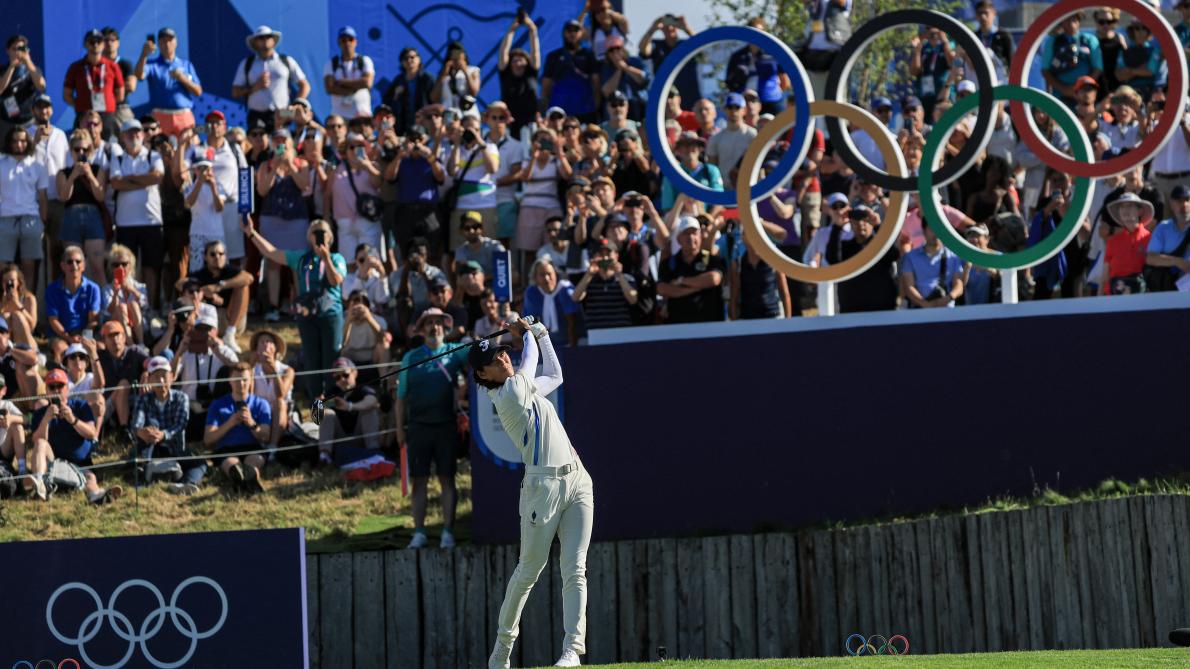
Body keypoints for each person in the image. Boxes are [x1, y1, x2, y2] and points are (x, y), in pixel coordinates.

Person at [476, 317, 594, 669]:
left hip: (578, 482)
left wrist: (540, 334)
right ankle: (502, 648)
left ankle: (572, 650)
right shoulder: (509, 395)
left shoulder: (524, 388)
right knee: (529, 571)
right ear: (483, 376)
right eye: (494, 360)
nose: (502, 358)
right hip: (541, 491)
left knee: (575, 568)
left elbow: (555, 374)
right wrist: (526, 334)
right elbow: (529, 361)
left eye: (502, 353)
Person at [246, 218, 345, 399]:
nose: (318, 236)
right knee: (312, 363)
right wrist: (252, 233)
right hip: (307, 316)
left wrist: (326, 258)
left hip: (330, 316)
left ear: (330, 237)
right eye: (315, 233)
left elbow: (335, 280)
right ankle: (318, 414)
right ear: (309, 237)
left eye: (322, 232)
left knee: (331, 361)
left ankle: (333, 409)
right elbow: (272, 252)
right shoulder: (302, 259)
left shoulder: (337, 258)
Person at [397, 307, 468, 549]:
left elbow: (480, 353)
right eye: (429, 323)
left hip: (446, 426)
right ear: (422, 328)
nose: (434, 327)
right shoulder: (410, 358)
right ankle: (419, 532)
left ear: (445, 327)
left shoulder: (455, 352)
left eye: (439, 322)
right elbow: (400, 397)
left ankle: (448, 531)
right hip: (418, 427)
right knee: (419, 481)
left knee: (447, 478)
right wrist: (399, 429)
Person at [25, 368, 121, 504]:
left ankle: (97, 496)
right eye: (52, 387)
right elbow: (36, 441)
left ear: (67, 389)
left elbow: (92, 433)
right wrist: (46, 419)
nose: (56, 390)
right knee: (41, 443)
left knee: (90, 478)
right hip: (54, 463)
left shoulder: (80, 406)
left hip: (81, 464)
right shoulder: (40, 413)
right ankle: (40, 483)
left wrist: (73, 420)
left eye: (60, 386)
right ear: (46, 391)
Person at [110, 118, 165, 312]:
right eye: (129, 133)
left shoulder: (153, 156)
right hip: (125, 223)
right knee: (124, 268)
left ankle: (151, 307)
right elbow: (116, 183)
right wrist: (144, 180)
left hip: (151, 221)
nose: (134, 136)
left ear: (142, 135)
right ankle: (127, 306)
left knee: (151, 267)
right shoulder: (117, 159)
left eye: (137, 132)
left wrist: (129, 179)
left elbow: (157, 177)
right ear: (123, 137)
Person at [256, 128, 311, 320]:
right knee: (273, 263)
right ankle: (273, 306)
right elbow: (262, 191)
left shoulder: (301, 163)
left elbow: (305, 185)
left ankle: (299, 305)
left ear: (291, 143)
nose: (280, 144)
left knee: (297, 264)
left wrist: (291, 166)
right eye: (276, 140)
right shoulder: (265, 165)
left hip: (296, 221)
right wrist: (276, 169)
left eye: (284, 140)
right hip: (272, 220)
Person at [131, 356, 205, 494]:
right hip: (151, 449)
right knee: (150, 427)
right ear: (150, 380)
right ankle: (145, 476)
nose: (161, 381)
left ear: (172, 377)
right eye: (156, 377)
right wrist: (141, 432)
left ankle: (185, 484)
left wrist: (163, 435)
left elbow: (181, 424)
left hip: (175, 449)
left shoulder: (181, 397)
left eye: (164, 376)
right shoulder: (143, 399)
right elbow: (136, 423)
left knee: (200, 463)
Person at [204, 361, 271, 493]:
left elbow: (265, 436)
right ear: (229, 380)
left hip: (253, 448)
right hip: (226, 450)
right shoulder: (217, 405)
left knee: (253, 463)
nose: (241, 384)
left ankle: (251, 480)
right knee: (233, 466)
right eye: (237, 380)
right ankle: (239, 480)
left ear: (251, 380)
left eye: (245, 380)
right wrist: (230, 423)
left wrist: (251, 423)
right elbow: (208, 439)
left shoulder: (261, 404)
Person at [232, 26, 310, 132]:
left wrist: (295, 105)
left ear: (273, 40)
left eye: (268, 37)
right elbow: (235, 92)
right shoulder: (247, 64)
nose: (265, 40)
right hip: (256, 115)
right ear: (255, 42)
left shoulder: (286, 61)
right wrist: (255, 87)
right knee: (259, 145)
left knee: (281, 145)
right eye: (261, 38)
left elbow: (304, 85)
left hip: (283, 113)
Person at [57, 128, 107, 281]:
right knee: (73, 267)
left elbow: (100, 195)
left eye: (85, 149)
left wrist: (90, 175)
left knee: (97, 265)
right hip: (72, 215)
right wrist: (73, 176)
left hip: (93, 215)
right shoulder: (63, 173)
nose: (81, 152)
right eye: (77, 149)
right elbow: (64, 197)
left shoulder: (98, 169)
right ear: (71, 151)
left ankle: (104, 304)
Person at [0, 124, 47, 284]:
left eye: (22, 141)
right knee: (3, 265)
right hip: (5, 218)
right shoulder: (1, 163)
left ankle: (26, 304)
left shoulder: (37, 165)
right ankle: (3, 304)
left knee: (29, 265)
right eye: (15, 141)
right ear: (9, 142)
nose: (19, 145)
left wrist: (42, 222)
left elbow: (42, 197)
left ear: (28, 142)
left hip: (31, 219)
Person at [329, 132, 383, 269]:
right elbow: (327, 195)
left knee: (371, 262)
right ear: (345, 151)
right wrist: (327, 220)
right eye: (351, 147)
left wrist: (367, 166)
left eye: (360, 146)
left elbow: (379, 183)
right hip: (344, 224)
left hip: (368, 221)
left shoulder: (373, 165)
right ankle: (351, 290)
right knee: (348, 265)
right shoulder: (336, 170)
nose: (355, 150)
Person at [657, 217, 726, 323]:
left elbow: (713, 279)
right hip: (678, 326)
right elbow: (662, 288)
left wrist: (681, 281)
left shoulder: (711, 259)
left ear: (700, 236)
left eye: (694, 233)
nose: (691, 237)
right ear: (679, 238)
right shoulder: (670, 263)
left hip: (710, 326)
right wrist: (696, 287)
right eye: (686, 233)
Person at [134, 27, 201, 136]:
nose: (167, 44)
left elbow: (198, 91)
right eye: (163, 41)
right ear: (159, 44)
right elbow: (139, 75)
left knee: (188, 149)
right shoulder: (152, 65)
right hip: (160, 117)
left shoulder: (186, 65)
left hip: (184, 116)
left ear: (176, 42)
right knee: (160, 149)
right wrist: (144, 55)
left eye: (170, 40)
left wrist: (182, 78)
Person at [186, 240, 252, 349]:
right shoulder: (199, 275)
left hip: (231, 319)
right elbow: (180, 284)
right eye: (212, 254)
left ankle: (230, 334)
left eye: (221, 254)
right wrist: (202, 292)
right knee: (188, 292)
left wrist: (219, 286)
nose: (217, 257)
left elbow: (249, 278)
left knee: (243, 286)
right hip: (207, 319)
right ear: (205, 257)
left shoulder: (231, 271)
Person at [448, 115, 500, 250]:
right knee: (458, 247)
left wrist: (480, 143)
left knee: (488, 247)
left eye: (476, 130)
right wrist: (457, 144)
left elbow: (492, 168)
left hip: (485, 204)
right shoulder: (456, 149)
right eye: (468, 130)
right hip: (461, 206)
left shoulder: (490, 147)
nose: (472, 133)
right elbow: (452, 171)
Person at [63, 29, 125, 138]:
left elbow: (120, 94)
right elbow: (67, 95)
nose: (95, 45)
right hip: (84, 115)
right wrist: (80, 105)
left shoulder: (112, 66)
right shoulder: (76, 67)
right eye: (92, 42)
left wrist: (109, 102)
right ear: (85, 44)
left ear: (103, 44)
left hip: (107, 115)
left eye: (99, 41)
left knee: (108, 146)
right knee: (81, 144)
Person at [318, 357, 381, 463]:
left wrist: (350, 406)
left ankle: (373, 453)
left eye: (345, 375)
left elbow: (373, 401)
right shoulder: (332, 392)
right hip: (338, 438)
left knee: (369, 410)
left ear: (354, 373)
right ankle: (325, 456)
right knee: (326, 413)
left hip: (361, 437)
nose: (342, 379)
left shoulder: (363, 389)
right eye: (337, 377)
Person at [46, 245, 101, 362]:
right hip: (61, 335)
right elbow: (53, 320)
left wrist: (83, 338)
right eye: (70, 262)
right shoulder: (52, 289)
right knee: (61, 350)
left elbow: (93, 320)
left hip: (86, 333)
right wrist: (69, 338)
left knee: (100, 348)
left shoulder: (93, 288)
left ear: (84, 265)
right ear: (62, 266)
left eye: (78, 261)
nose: (74, 265)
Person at [899, 216, 966, 308]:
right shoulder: (910, 257)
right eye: (931, 229)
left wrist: (947, 299)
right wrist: (925, 304)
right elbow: (908, 286)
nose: (936, 233)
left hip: (947, 309)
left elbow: (959, 286)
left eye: (939, 229)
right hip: (920, 310)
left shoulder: (953, 256)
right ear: (924, 231)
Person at [1041, 11, 1102, 108]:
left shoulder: (1090, 40)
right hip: (1060, 95)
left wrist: (1083, 89)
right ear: (1061, 21)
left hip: (1084, 96)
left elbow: (1097, 68)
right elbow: (1045, 70)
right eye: (1067, 18)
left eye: (1075, 18)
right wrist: (1064, 89)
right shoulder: (1053, 41)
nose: (1071, 22)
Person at [543, 20, 600, 124]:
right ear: (564, 33)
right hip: (559, 113)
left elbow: (596, 85)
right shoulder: (553, 56)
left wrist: (595, 107)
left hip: (585, 112)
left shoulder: (589, 55)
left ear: (581, 33)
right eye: (569, 30)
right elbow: (546, 87)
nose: (572, 33)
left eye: (576, 30)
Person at [573, 239, 637, 329]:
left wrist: (619, 275)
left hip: (621, 332)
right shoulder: (589, 279)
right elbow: (576, 298)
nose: (605, 258)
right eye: (601, 255)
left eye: (608, 254)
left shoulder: (627, 278)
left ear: (616, 256)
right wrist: (589, 274)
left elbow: (633, 299)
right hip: (595, 333)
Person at [639, 14, 699, 107]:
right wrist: (652, 29)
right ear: (662, 28)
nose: (670, 28)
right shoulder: (657, 45)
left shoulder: (686, 44)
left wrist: (686, 28)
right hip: (666, 98)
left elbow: (701, 44)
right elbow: (643, 49)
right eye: (666, 25)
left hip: (689, 96)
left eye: (673, 24)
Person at [498, 15, 541, 138]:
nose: (517, 63)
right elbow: (503, 51)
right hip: (510, 125)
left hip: (530, 125)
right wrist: (511, 30)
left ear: (527, 62)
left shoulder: (531, 73)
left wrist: (532, 29)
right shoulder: (505, 74)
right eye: (514, 61)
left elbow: (535, 51)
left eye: (520, 60)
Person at [1102, 192, 1153, 295]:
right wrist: (1099, 298)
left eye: (1129, 206)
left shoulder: (1150, 238)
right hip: (1114, 298)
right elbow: (1105, 276)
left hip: (1142, 297)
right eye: (1121, 207)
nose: (1125, 210)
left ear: (1140, 211)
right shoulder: (1112, 242)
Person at [523, 258, 580, 345]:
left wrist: (571, 348)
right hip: (545, 343)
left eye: (549, 274)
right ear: (535, 277)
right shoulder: (531, 293)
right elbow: (530, 322)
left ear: (556, 274)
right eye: (542, 275)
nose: (547, 278)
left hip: (572, 341)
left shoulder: (564, 288)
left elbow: (572, 321)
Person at [706, 93, 757, 189]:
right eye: (730, 107)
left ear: (744, 110)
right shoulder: (716, 138)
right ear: (724, 109)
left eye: (737, 107)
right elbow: (712, 168)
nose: (733, 111)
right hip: (724, 189)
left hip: (747, 189)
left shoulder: (752, 135)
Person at [100, 244, 148, 345]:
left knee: (134, 304)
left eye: (124, 264)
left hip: (138, 326)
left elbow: (145, 305)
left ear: (131, 266)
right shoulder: (107, 289)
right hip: (117, 326)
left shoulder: (139, 286)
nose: (120, 267)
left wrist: (132, 290)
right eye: (116, 265)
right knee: (121, 307)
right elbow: (108, 312)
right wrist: (115, 294)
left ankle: (141, 343)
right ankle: (131, 345)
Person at [0, 34, 46, 139]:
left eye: (21, 48)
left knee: (31, 152)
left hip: (29, 121)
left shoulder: (33, 69)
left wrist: (28, 61)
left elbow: (41, 86)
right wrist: (11, 67)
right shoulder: (2, 70)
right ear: (8, 51)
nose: (18, 52)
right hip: (6, 122)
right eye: (14, 49)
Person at [323, 26, 374, 121]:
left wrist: (342, 82)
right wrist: (354, 87)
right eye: (343, 40)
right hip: (340, 117)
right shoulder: (331, 63)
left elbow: (367, 83)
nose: (347, 43)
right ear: (339, 43)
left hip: (362, 114)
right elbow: (329, 88)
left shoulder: (365, 61)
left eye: (350, 39)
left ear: (356, 42)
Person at [1145, 184, 1190, 287]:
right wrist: (1178, 262)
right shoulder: (1163, 227)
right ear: (1171, 204)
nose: (1184, 204)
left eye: (1187, 199)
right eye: (1179, 200)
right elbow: (1150, 258)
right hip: (1170, 288)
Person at [384, 49, 435, 135]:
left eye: (412, 57)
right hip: (403, 126)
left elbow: (434, 100)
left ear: (419, 59)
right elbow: (388, 102)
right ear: (402, 63)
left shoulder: (427, 79)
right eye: (405, 58)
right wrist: (396, 95)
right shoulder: (398, 80)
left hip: (423, 125)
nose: (409, 60)